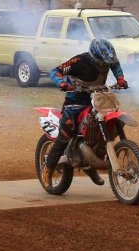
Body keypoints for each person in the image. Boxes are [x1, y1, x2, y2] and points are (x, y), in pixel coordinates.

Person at [43, 38, 127, 176]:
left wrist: (120, 78)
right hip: (75, 103)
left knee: (113, 119)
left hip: (98, 100)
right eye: (102, 63)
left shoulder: (108, 59)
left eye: (107, 63)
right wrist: (62, 84)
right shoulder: (79, 61)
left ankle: (93, 159)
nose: (105, 66)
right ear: (94, 57)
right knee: (66, 133)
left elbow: (115, 65)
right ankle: (48, 168)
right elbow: (55, 71)